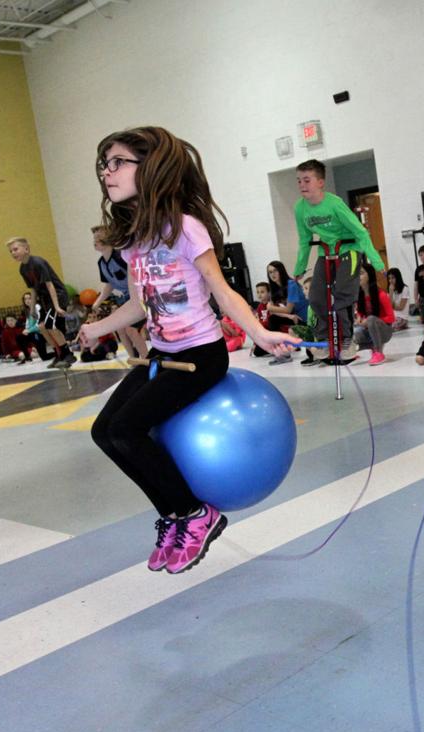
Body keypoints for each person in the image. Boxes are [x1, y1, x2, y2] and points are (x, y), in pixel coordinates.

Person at [80, 126, 294, 575]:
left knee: (127, 430)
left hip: (199, 354)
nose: (107, 172)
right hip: (161, 354)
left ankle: (194, 514)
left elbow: (223, 291)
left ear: (151, 167)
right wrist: (98, 326)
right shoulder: (136, 236)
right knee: (105, 432)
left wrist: (258, 333)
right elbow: (140, 304)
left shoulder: (185, 228)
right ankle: (176, 514)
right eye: (105, 163)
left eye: (118, 162)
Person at [293, 159, 386, 361]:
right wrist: (299, 267)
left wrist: (377, 262)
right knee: (316, 297)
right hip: (325, 252)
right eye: (299, 181)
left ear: (320, 182)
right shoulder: (300, 209)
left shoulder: (335, 204)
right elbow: (304, 240)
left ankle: (346, 340)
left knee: (343, 296)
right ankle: (325, 340)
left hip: (349, 250)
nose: (301, 185)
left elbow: (360, 232)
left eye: (306, 180)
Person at [7, 236, 75, 368]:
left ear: (26, 249)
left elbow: (50, 285)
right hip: (44, 299)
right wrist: (32, 308)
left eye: (15, 249)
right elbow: (33, 289)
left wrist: (57, 306)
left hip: (57, 296)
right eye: (10, 251)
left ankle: (68, 354)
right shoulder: (22, 269)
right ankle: (58, 353)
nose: (13, 253)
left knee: (51, 325)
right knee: (42, 327)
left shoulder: (38, 263)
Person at [92, 226, 147, 359]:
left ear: (107, 239)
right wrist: (97, 302)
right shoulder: (101, 263)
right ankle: (133, 359)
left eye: (98, 238)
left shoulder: (120, 256)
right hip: (123, 299)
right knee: (120, 329)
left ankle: (146, 359)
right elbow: (109, 284)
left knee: (130, 329)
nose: (94, 241)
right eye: (94, 239)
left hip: (138, 296)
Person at [353, 263, 396, 365]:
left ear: (370, 275)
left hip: (385, 331)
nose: (358, 277)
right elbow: (360, 313)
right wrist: (360, 318)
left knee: (372, 318)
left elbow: (391, 318)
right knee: (356, 334)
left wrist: (370, 321)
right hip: (370, 329)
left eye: (361, 273)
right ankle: (365, 348)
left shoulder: (381, 295)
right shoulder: (360, 295)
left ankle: (379, 353)